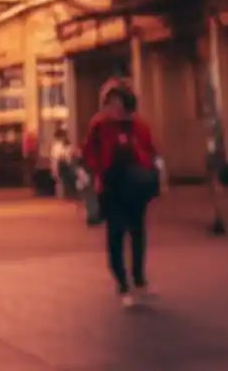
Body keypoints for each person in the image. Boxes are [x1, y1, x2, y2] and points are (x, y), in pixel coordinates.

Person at [83, 81, 161, 308]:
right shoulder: (99, 125)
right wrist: (98, 173)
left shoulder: (138, 125)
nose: (115, 107)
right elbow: (89, 153)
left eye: (119, 102)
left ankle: (139, 278)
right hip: (111, 186)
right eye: (110, 102)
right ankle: (122, 283)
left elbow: (150, 150)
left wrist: (151, 172)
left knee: (138, 233)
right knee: (116, 234)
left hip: (135, 186)